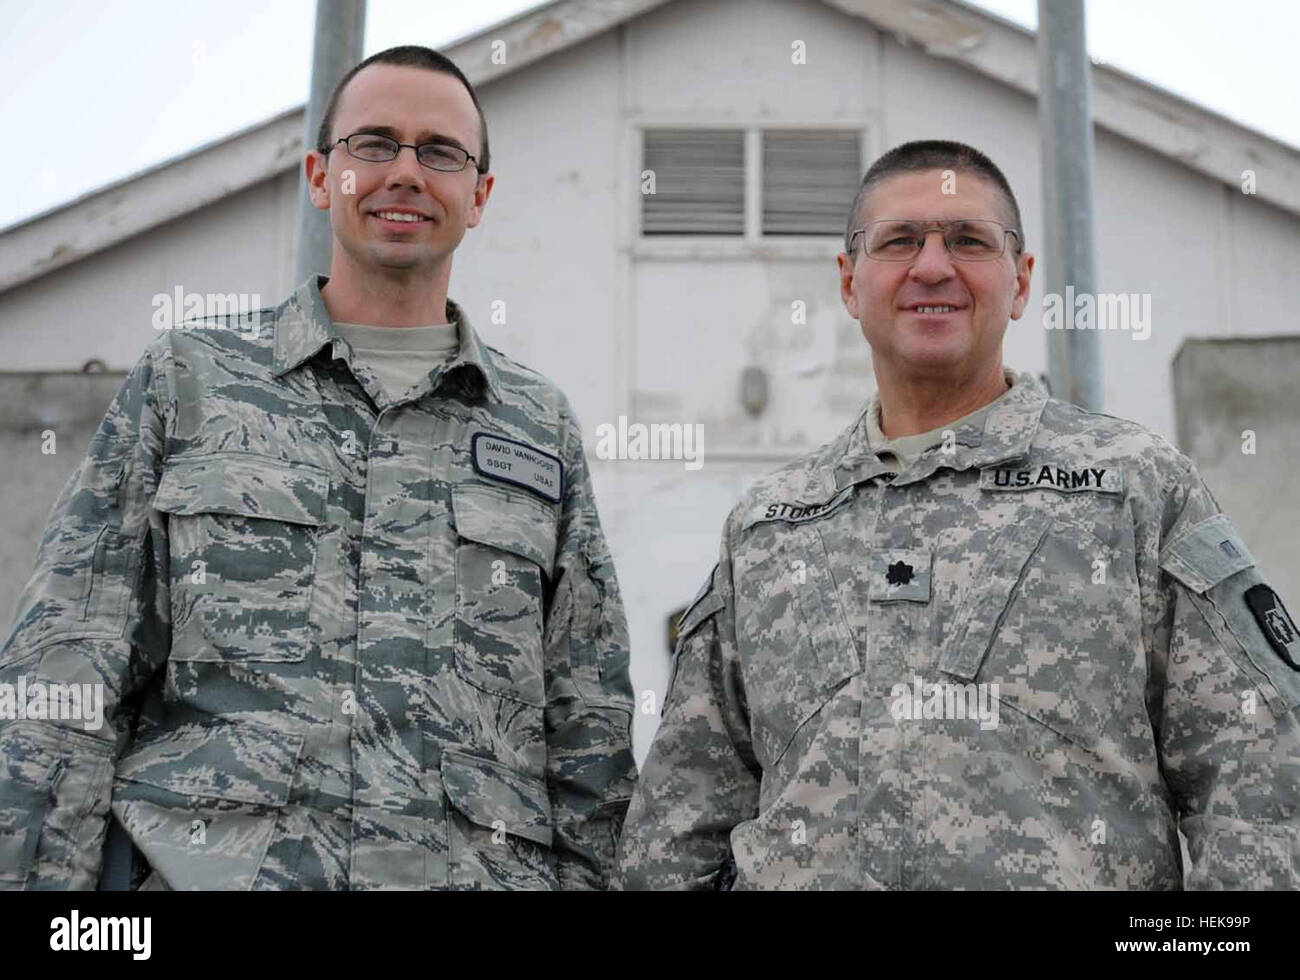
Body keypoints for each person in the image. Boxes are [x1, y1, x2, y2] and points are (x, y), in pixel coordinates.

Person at [0, 45, 635, 891]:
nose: (405, 173)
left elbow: (587, 723)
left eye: (440, 152)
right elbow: (68, 666)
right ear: (317, 174)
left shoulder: (536, 423)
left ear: (478, 196)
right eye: (373, 145)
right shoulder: (191, 380)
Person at [616, 140, 1300, 890]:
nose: (933, 267)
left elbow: (1262, 775)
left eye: (969, 241)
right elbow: (676, 830)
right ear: (849, 281)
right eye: (900, 241)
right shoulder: (772, 527)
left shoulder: (1134, 489)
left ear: (1022, 280)